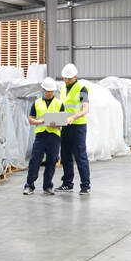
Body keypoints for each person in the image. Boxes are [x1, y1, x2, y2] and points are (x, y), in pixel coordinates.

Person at [23, 77, 64, 196]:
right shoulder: (37, 103)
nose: (50, 93)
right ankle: (29, 186)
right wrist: (40, 122)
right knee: (35, 161)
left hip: (54, 137)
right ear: (43, 89)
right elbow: (31, 119)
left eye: (52, 91)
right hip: (41, 136)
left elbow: (63, 121)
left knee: (52, 161)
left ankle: (47, 186)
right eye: (48, 91)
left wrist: (56, 123)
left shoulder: (59, 104)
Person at [57, 63, 90, 195]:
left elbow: (86, 108)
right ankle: (67, 183)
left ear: (75, 76)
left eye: (69, 78)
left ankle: (85, 185)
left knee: (80, 155)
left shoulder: (82, 89)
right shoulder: (63, 88)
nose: (67, 80)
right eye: (65, 78)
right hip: (65, 125)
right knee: (65, 156)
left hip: (78, 126)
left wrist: (74, 117)